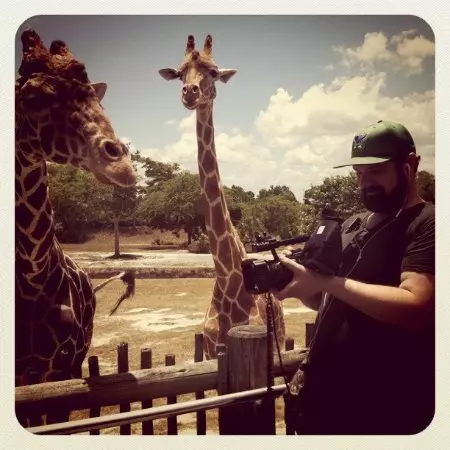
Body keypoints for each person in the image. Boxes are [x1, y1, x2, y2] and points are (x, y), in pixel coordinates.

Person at [273, 120, 435, 435]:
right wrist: (299, 286)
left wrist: (326, 283)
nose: (365, 183)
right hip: (322, 403)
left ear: (410, 165)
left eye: (376, 172)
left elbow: (418, 307)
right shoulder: (352, 225)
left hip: (382, 412)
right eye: (359, 174)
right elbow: (330, 300)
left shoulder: (428, 223)